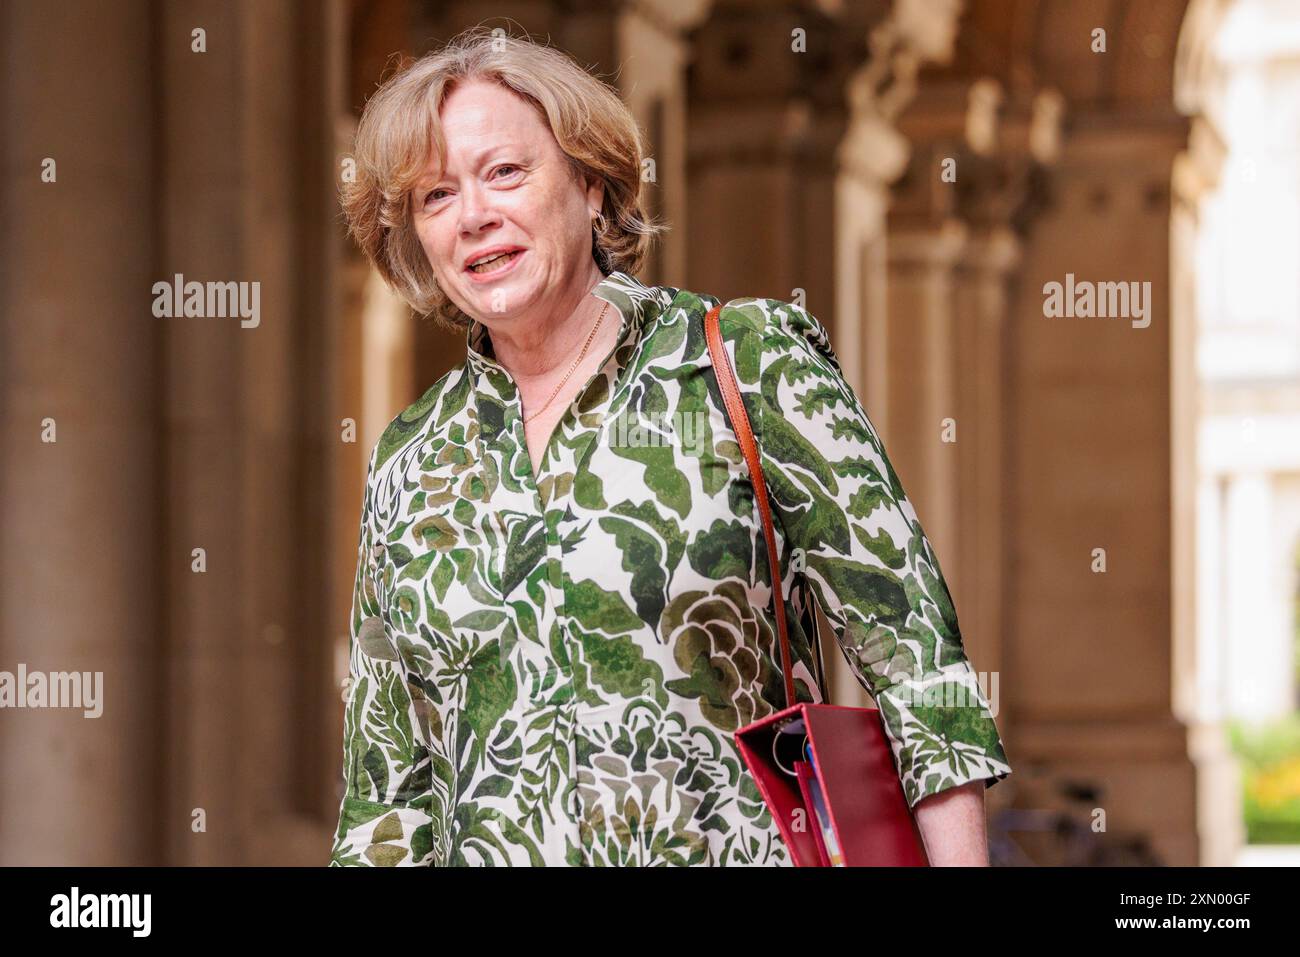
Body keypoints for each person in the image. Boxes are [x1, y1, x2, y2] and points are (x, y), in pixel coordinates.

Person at [328, 25, 1011, 867]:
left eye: (505, 172)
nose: (473, 215)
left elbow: (918, 668)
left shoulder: (746, 363)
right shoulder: (410, 456)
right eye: (435, 196)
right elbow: (385, 798)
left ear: (590, 185)